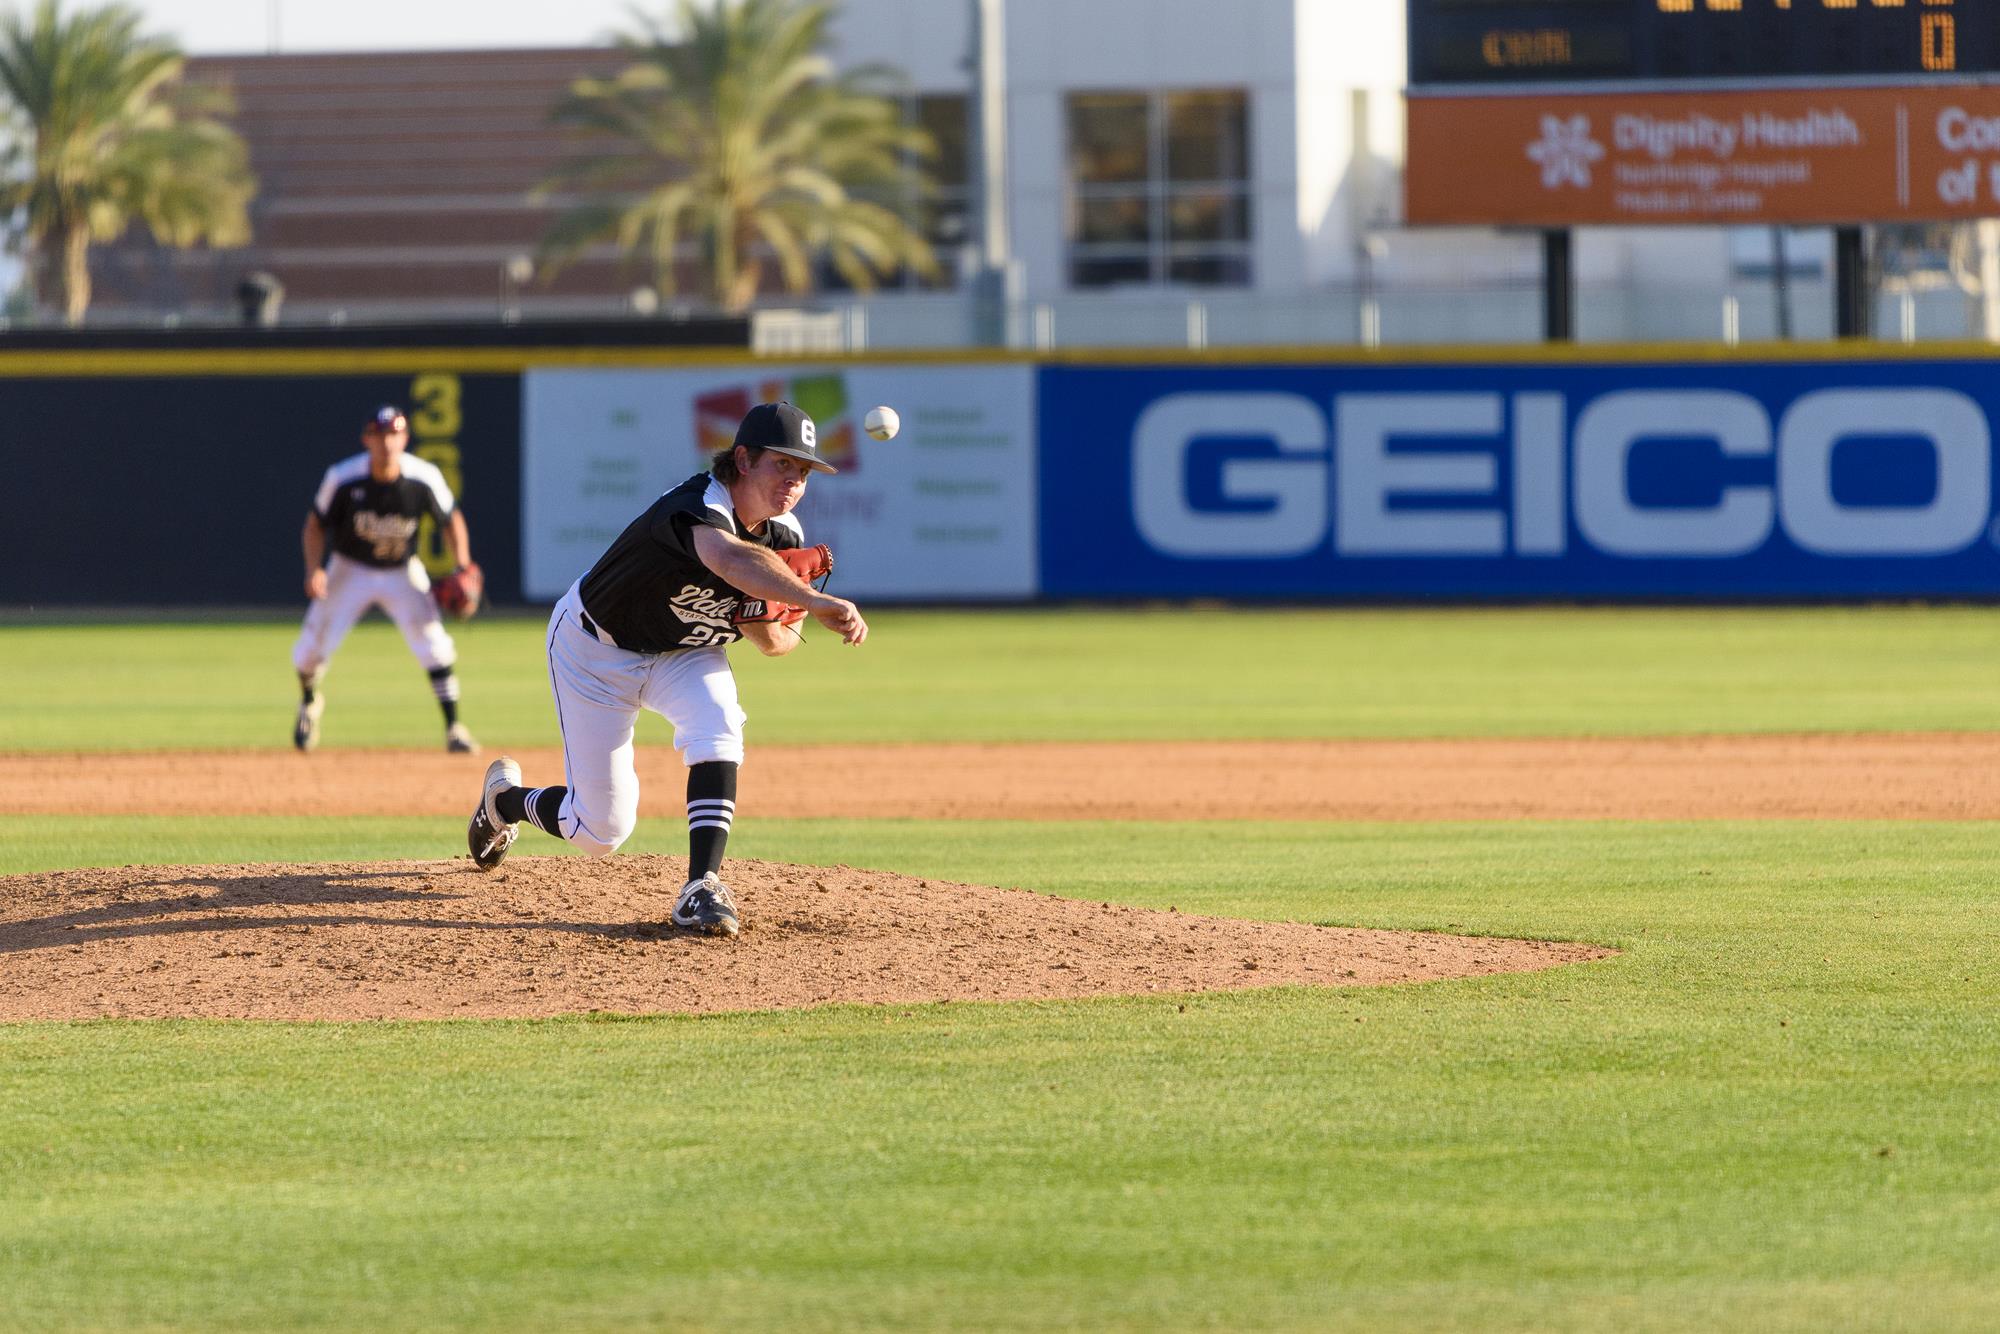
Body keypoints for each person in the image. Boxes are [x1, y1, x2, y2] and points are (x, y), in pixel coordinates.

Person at [466, 401, 867, 938]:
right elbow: (729, 559)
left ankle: (702, 885)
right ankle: (505, 802)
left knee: (720, 723)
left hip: (682, 651)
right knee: (602, 830)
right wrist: (812, 601)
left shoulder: (783, 538)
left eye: (803, 472)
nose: (794, 481)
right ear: (743, 459)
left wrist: (765, 614)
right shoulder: (696, 505)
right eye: (782, 464)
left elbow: (774, 645)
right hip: (596, 651)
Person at [292, 404, 481, 755]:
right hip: (349, 568)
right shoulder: (343, 478)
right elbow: (315, 525)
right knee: (308, 654)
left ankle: (455, 727)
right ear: (367, 439)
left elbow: (451, 519)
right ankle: (309, 702)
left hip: (401, 570)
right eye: (380, 435)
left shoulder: (423, 477)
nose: (387, 442)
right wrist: (314, 568)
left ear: (405, 438)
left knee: (435, 645)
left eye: (394, 434)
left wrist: (462, 564)